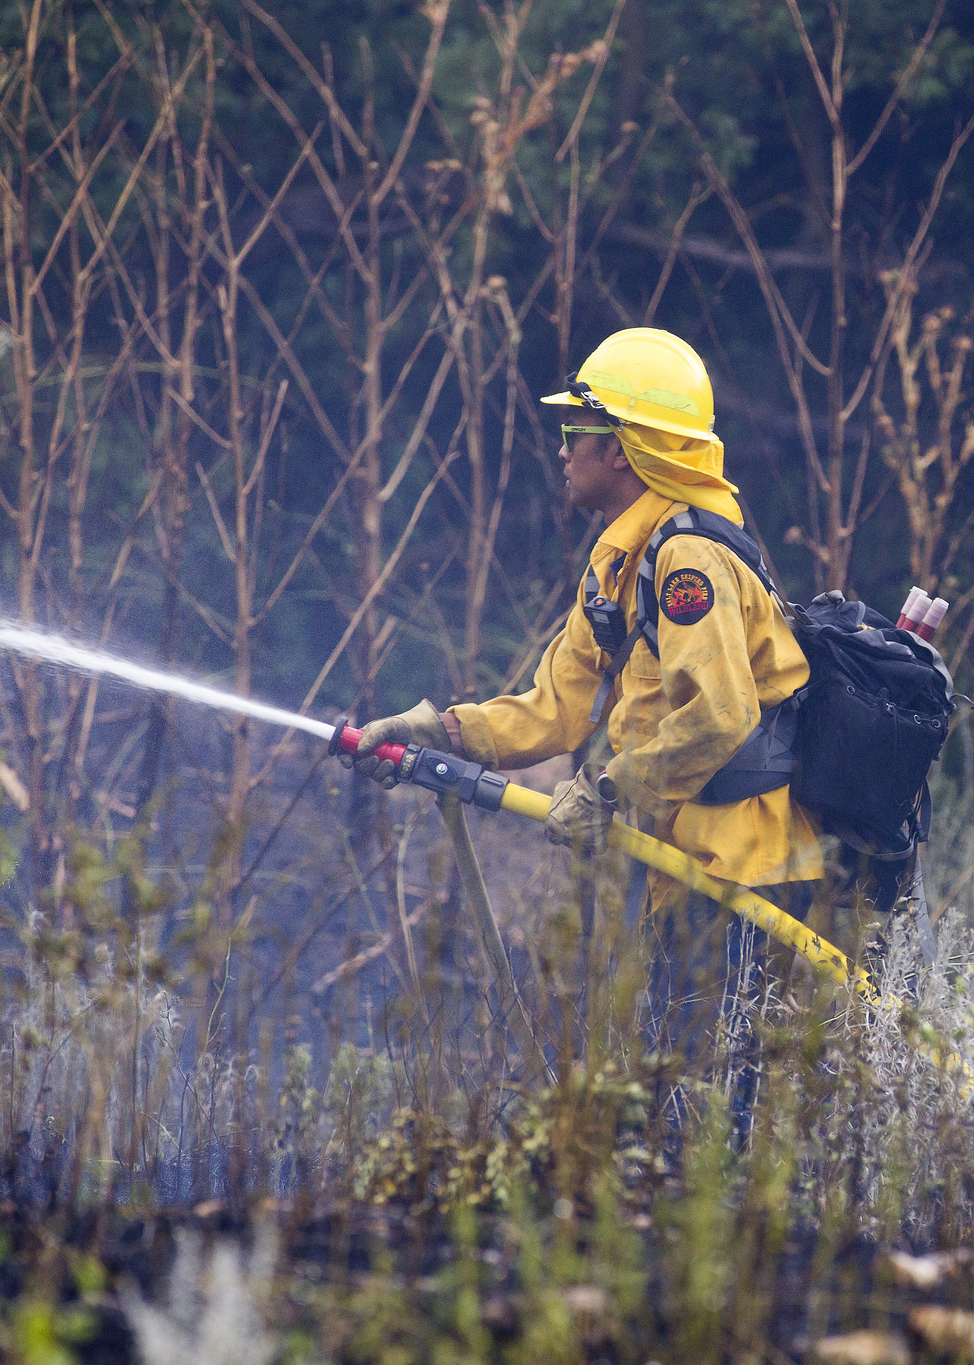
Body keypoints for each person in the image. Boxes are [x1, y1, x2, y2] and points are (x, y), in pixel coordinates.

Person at [351, 326, 822, 1131]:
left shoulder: (688, 565)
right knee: (677, 1080)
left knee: (710, 1096)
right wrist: (438, 730)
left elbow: (722, 714)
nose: (563, 449)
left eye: (579, 432)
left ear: (626, 450)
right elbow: (555, 709)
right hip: (690, 856)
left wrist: (608, 789)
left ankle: (727, 1240)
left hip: (747, 866)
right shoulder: (621, 564)